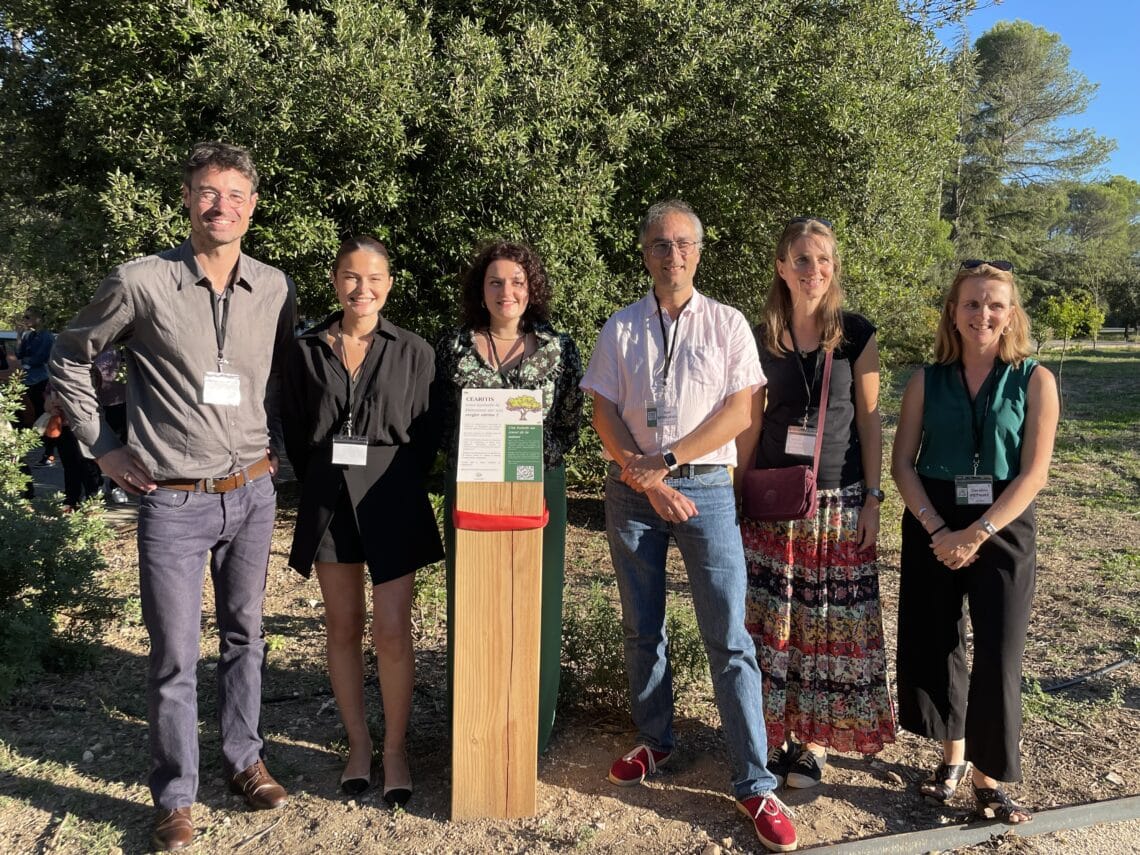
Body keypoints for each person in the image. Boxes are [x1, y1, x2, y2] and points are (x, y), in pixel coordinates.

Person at [49, 141, 296, 851]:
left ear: (253, 206)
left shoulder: (274, 286)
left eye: (236, 195)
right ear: (187, 199)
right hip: (172, 499)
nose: (222, 206)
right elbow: (70, 354)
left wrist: (277, 449)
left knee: (246, 637)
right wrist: (103, 446)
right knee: (174, 655)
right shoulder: (141, 281)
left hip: (250, 492)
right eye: (208, 192)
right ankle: (175, 796)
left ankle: (244, 760)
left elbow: (279, 375)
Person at [581, 200, 797, 852]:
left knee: (729, 636)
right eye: (660, 244)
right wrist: (646, 477)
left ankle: (754, 782)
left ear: (698, 252)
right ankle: (655, 739)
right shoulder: (621, 326)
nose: (671, 254)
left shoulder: (727, 323)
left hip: (704, 488)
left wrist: (668, 464)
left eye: (683, 244)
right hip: (632, 491)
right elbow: (603, 411)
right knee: (641, 626)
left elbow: (739, 413)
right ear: (644, 253)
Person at [891, 260, 1058, 824]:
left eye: (994, 304)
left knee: (999, 652)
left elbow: (1034, 473)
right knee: (939, 644)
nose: (982, 314)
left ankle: (989, 780)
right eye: (971, 303)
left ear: (1011, 314)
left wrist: (978, 532)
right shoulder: (926, 379)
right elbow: (902, 464)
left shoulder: (1035, 379)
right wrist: (939, 530)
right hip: (933, 518)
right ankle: (953, 760)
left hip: (1003, 523)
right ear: (953, 311)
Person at [735, 218, 895, 789]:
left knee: (828, 625)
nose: (813, 270)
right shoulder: (760, 338)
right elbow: (750, 422)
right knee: (776, 623)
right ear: (782, 267)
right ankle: (774, 734)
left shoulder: (856, 334)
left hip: (838, 502)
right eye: (802, 259)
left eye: (823, 259)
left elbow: (871, 422)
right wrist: (737, 490)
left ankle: (816, 742)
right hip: (774, 503)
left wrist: (873, 499)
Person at [283, 236, 442, 806]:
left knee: (393, 629)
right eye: (351, 276)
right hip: (328, 495)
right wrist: (324, 476)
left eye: (374, 278)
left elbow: (427, 435)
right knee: (342, 625)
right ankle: (358, 744)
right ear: (335, 280)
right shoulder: (305, 350)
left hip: (392, 492)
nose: (362, 288)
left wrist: (391, 476)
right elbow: (295, 429)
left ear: (389, 284)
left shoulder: (415, 350)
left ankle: (396, 748)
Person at [434, 240, 583, 753]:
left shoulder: (559, 348)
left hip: (539, 488)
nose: (506, 291)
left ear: (531, 288)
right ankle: (472, 733)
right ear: (481, 289)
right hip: (472, 488)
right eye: (495, 281)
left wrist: (531, 462)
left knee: (536, 607)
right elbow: (440, 418)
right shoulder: (453, 346)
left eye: (517, 281)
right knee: (473, 606)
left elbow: (569, 421)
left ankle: (529, 735)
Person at [16, 307, 57, 465]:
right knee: (27, 415)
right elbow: (19, 355)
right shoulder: (29, 335)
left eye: (28, 317)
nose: (25, 320)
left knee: (43, 416)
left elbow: (37, 359)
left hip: (41, 381)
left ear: (39, 318)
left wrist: (25, 361)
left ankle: (49, 453)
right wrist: (19, 336)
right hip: (28, 380)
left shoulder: (46, 336)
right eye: (24, 317)